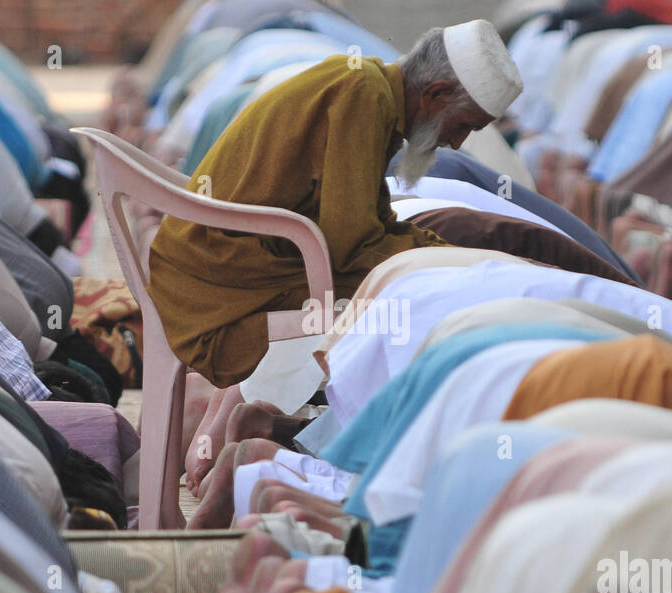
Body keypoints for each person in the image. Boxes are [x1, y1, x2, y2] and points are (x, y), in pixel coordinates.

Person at [146, 20, 524, 387]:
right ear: (436, 95)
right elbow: (353, 245)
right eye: (464, 125)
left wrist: (447, 254)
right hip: (214, 300)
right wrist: (451, 263)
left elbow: (369, 227)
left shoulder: (368, 84)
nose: (457, 143)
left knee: (420, 289)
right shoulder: (364, 93)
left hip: (210, 275)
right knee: (413, 307)